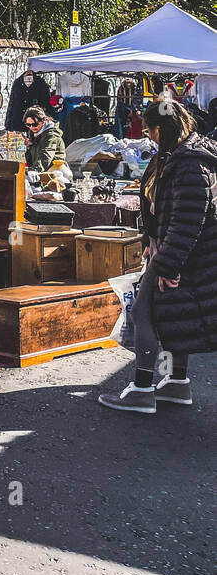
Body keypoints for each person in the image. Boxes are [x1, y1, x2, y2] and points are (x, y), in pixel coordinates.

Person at [99, 100, 217, 413]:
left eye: (150, 131)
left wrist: (167, 265)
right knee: (177, 317)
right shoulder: (180, 155)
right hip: (180, 252)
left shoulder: (190, 163)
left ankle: (141, 389)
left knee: (143, 313)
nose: (149, 137)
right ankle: (176, 383)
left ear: (161, 129)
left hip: (185, 255)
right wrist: (152, 241)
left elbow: (187, 220)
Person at [22, 106, 66, 171]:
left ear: (43, 121)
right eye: (28, 125)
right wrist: (30, 146)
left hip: (56, 172)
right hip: (42, 173)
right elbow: (32, 160)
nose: (31, 127)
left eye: (35, 124)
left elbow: (46, 155)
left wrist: (34, 170)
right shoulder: (33, 134)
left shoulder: (51, 135)